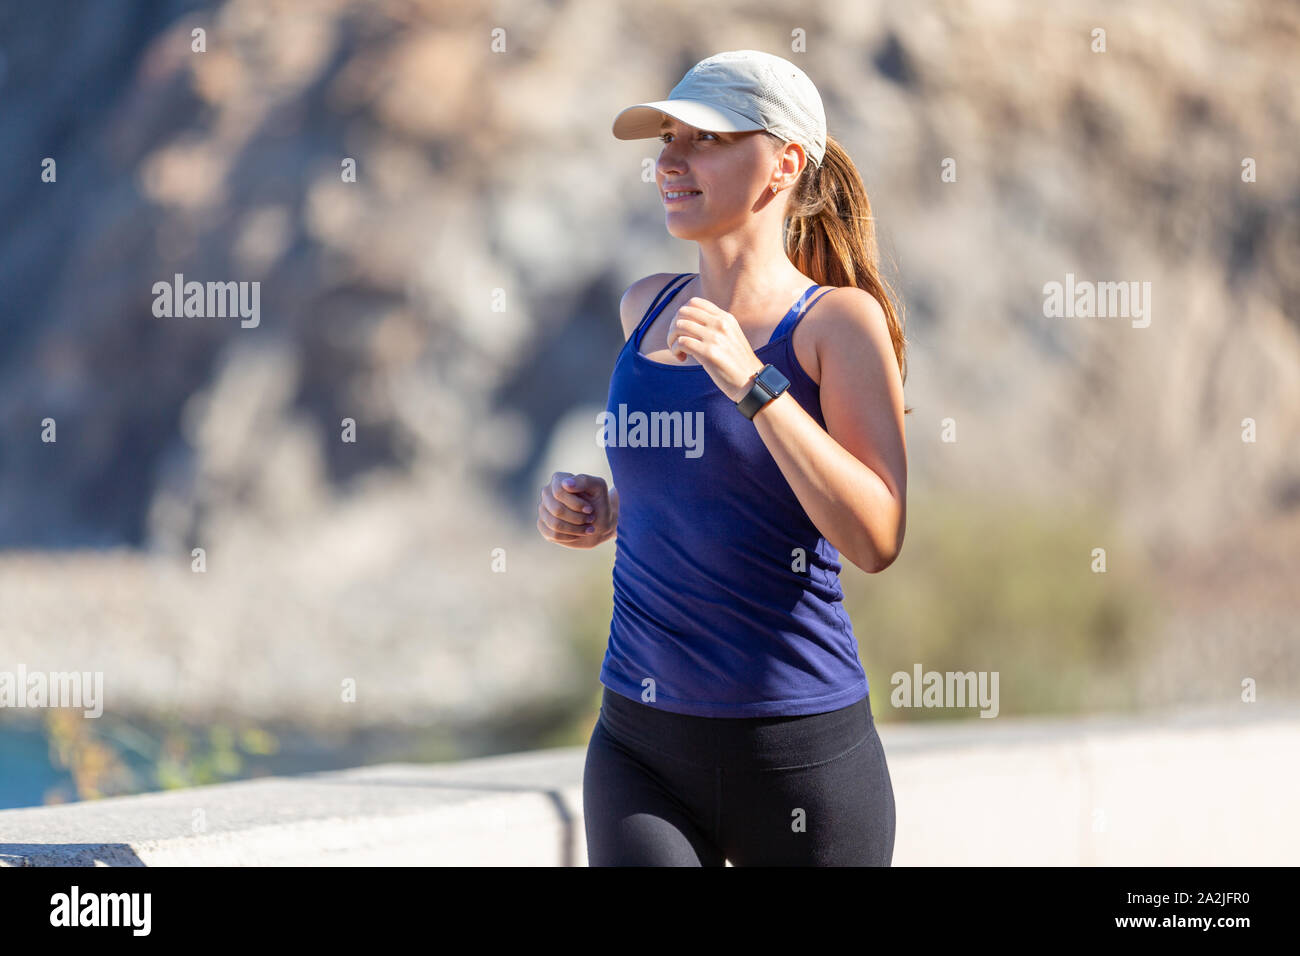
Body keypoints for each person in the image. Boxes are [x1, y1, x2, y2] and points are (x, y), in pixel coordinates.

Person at [537, 50, 909, 866]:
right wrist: (606, 511)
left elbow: (877, 535)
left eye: (702, 139)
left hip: (799, 761)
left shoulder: (837, 326)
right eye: (666, 138)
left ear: (783, 164)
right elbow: (715, 491)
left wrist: (755, 382)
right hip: (640, 747)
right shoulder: (647, 307)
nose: (670, 160)